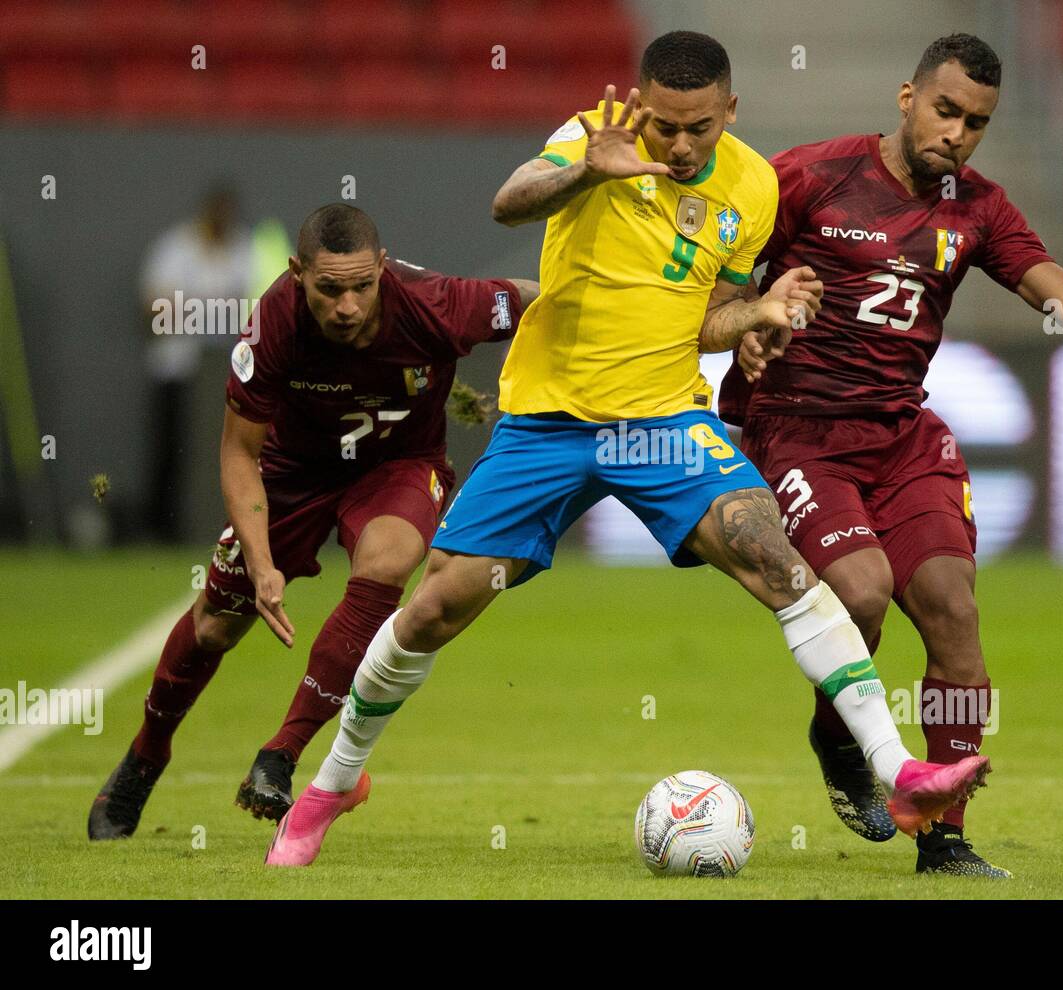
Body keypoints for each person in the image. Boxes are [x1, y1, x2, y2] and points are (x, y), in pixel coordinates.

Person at [267, 32, 990, 868]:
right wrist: (586, 169)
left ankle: (897, 767)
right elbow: (509, 202)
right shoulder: (594, 135)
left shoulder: (753, 186)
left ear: (730, 113)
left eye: (700, 129)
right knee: (434, 608)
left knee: (780, 560)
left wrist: (751, 316)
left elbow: (708, 310)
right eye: (665, 127)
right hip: (551, 421)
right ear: (639, 104)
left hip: (663, 424)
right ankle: (334, 782)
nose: (680, 147)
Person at [720, 33, 1063, 877]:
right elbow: (720, 274)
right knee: (861, 596)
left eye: (977, 121)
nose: (957, 132)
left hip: (903, 439)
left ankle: (943, 836)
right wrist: (749, 321)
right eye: (946, 110)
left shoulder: (978, 207)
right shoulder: (807, 176)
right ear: (908, 98)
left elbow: (1059, 294)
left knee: (954, 610)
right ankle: (841, 743)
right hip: (798, 431)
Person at [88, 204, 539, 839]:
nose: (348, 305)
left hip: (398, 467)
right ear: (298, 274)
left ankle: (280, 755)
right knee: (215, 627)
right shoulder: (274, 319)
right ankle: (146, 753)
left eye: (361, 286)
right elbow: (240, 451)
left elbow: (533, 299)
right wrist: (263, 563)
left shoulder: (435, 303)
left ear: (383, 270)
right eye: (329, 289)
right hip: (291, 473)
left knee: (387, 561)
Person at [139, 183, 254, 541]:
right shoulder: (175, 248)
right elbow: (154, 309)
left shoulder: (245, 249)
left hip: (229, 373)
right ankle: (163, 531)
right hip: (177, 370)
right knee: (172, 452)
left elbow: (256, 309)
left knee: (231, 451)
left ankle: (228, 526)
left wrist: (199, 312)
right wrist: (217, 315)